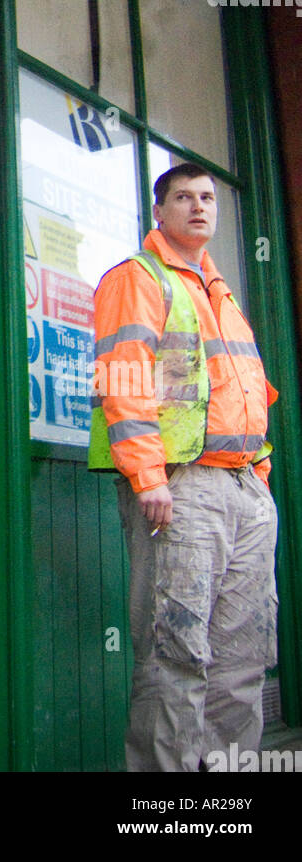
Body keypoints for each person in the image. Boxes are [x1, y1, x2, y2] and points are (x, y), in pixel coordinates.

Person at [89, 162, 278, 772]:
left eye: (207, 198)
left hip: (243, 487)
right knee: (176, 656)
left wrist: (260, 476)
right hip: (182, 487)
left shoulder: (220, 293)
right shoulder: (138, 278)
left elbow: (247, 391)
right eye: (182, 198)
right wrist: (148, 477)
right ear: (159, 212)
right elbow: (123, 380)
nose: (198, 207)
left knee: (242, 658)